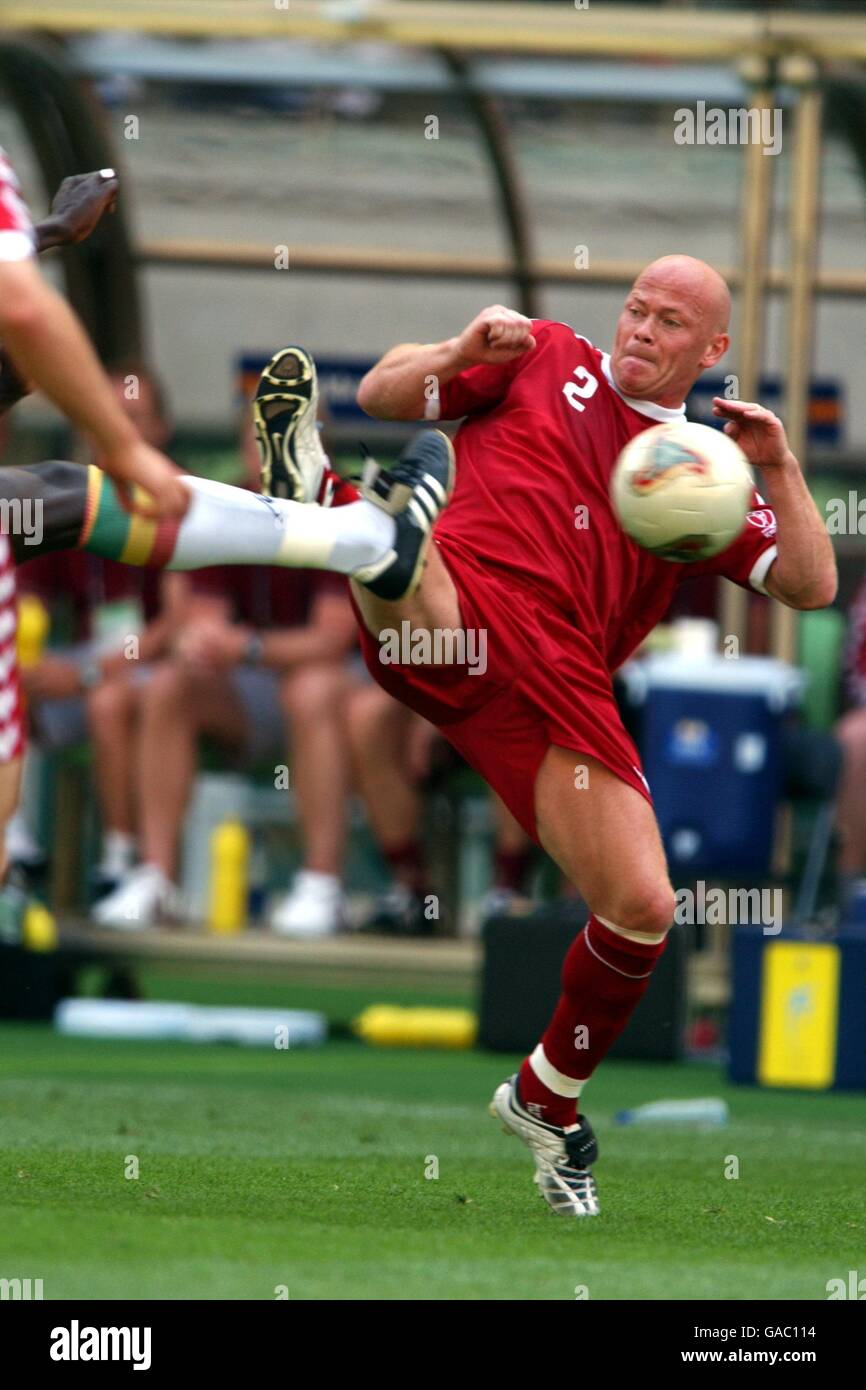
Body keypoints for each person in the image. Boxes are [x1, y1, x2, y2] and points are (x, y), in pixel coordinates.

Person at [3, 268, 836, 1219]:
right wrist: (458, 353)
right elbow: (386, 393)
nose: (642, 328)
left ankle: (544, 1098)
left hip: (555, 682)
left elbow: (810, 585)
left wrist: (777, 464)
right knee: (417, 579)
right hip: (459, 611)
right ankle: (377, 533)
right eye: (638, 308)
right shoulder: (547, 356)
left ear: (712, 351)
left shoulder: (699, 466)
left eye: (670, 321)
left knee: (642, 907)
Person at [0, 152, 187, 881]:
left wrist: (42, 234)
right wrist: (122, 449)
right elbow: (20, 311)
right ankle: (351, 538)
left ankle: (123, 869)